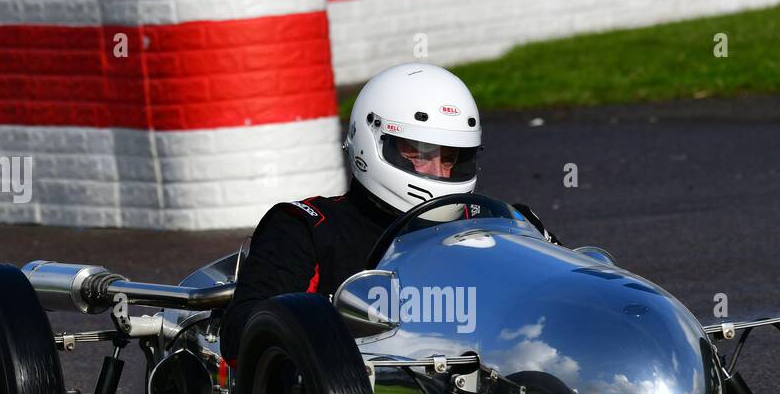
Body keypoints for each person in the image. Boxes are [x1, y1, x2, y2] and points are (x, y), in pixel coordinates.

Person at [219, 62, 555, 364]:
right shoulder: (309, 227)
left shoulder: (499, 224)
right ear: (371, 142)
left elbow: (562, 301)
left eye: (451, 158)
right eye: (419, 153)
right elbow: (242, 336)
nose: (439, 172)